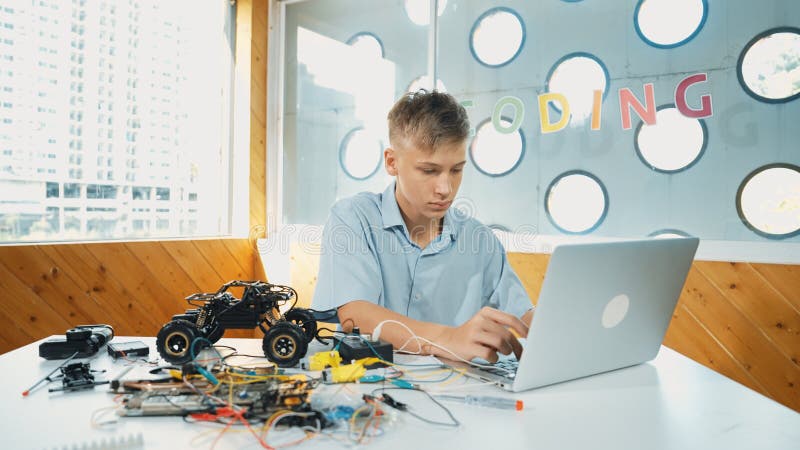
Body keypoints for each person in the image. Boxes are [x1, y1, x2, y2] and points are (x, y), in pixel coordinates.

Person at [311, 90, 533, 363]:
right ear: (392, 162)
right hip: (369, 390)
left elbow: (525, 319)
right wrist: (449, 339)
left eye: (456, 170)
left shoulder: (481, 240)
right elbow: (355, 315)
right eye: (429, 171)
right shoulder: (352, 218)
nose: (445, 188)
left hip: (459, 393)